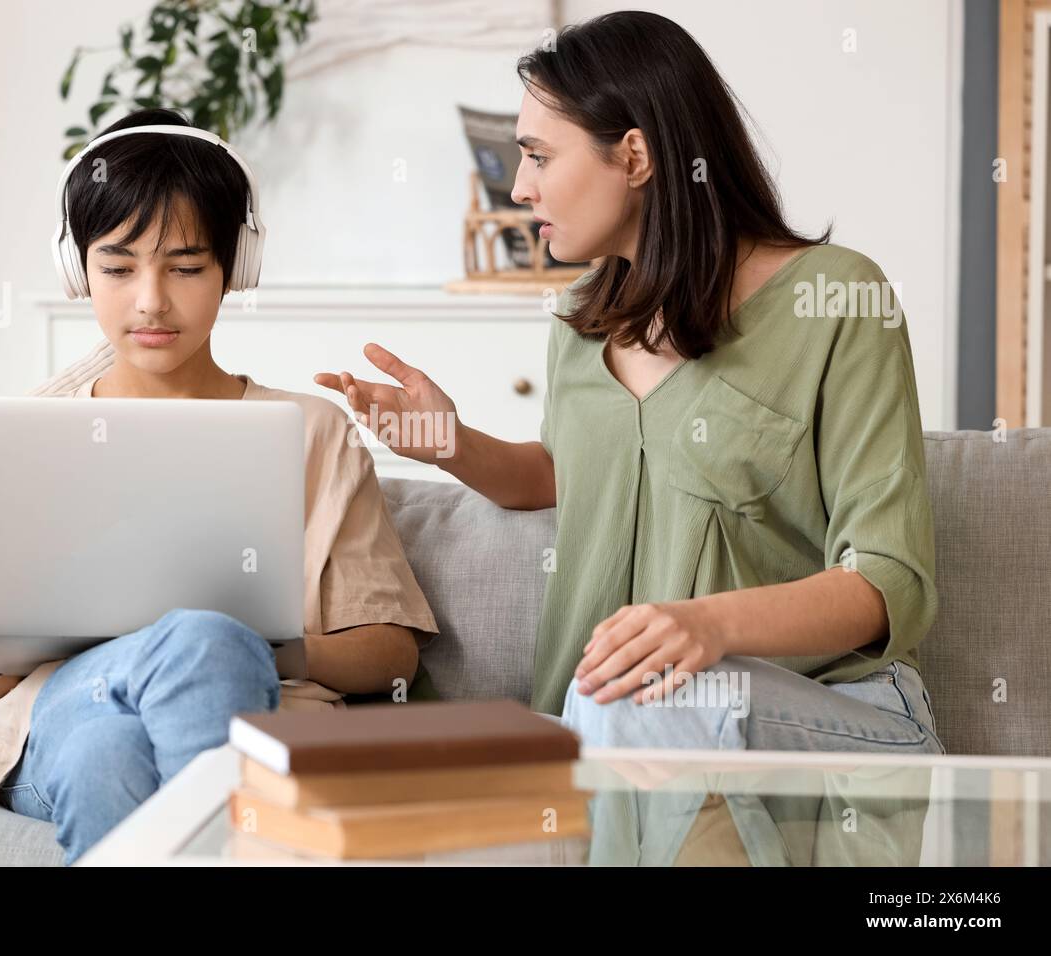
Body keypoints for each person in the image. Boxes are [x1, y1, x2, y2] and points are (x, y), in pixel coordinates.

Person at [317, 11, 942, 864]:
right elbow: (564, 476)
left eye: (539, 154)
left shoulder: (836, 300)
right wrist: (447, 438)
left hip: (828, 718)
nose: (519, 187)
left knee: (636, 696)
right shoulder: (582, 318)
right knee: (609, 710)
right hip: (624, 724)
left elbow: (886, 579)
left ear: (638, 157)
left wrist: (707, 625)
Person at [0, 108, 438, 866]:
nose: (152, 301)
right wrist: (57, 634)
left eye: (187, 267)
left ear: (237, 268)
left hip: (256, 715)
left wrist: (236, 646)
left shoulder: (312, 430)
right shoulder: (23, 442)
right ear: (78, 271)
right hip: (63, 705)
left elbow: (391, 657)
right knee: (151, 677)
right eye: (119, 267)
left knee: (120, 741)